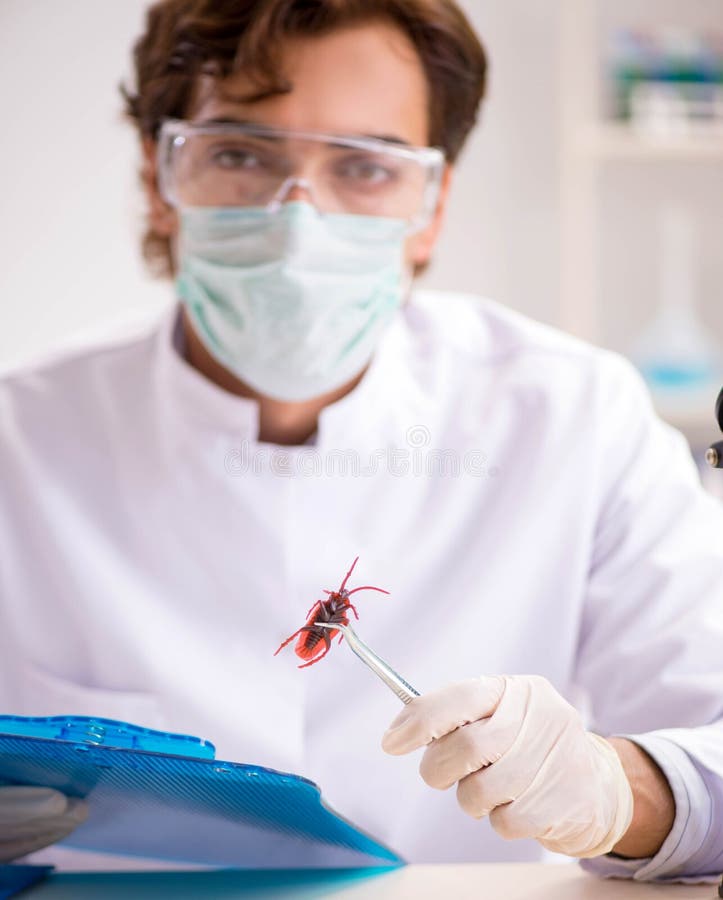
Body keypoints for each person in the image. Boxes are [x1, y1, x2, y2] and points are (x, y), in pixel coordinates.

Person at [1, 0, 722, 882]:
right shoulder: (19, 440)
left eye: (365, 166)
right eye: (239, 153)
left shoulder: (577, 415)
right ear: (159, 178)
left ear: (432, 204)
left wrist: (617, 790)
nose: (297, 219)